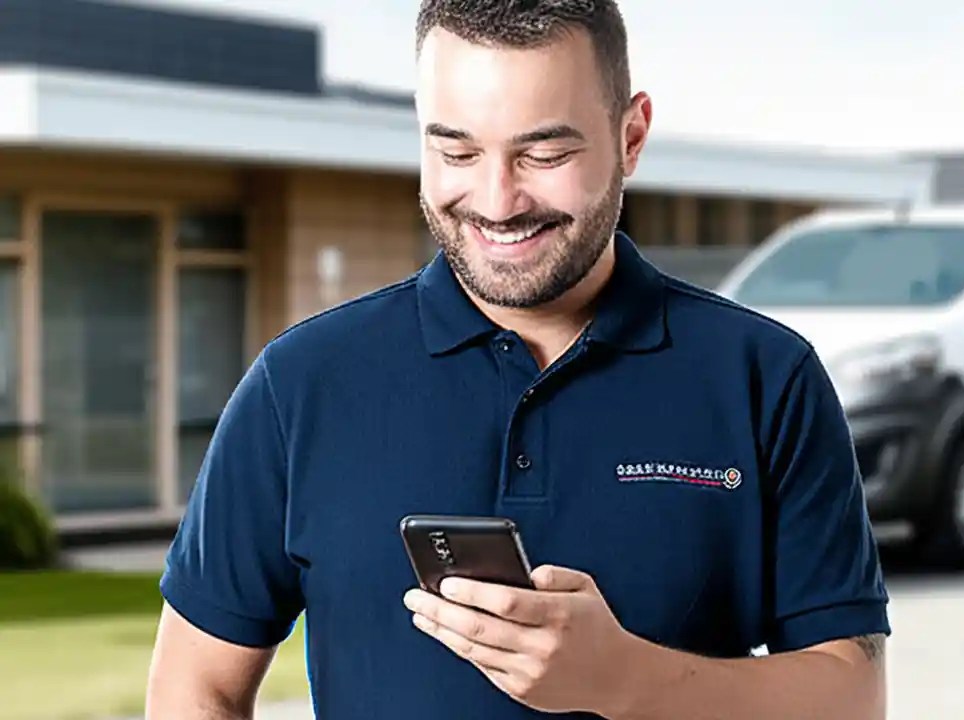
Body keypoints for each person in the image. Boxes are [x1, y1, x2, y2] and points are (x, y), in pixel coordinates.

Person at [145, 1, 891, 718]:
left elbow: (853, 700)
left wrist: (626, 679)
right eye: (457, 151)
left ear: (631, 137)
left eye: (544, 153)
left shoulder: (766, 378)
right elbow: (194, 688)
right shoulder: (300, 385)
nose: (498, 201)